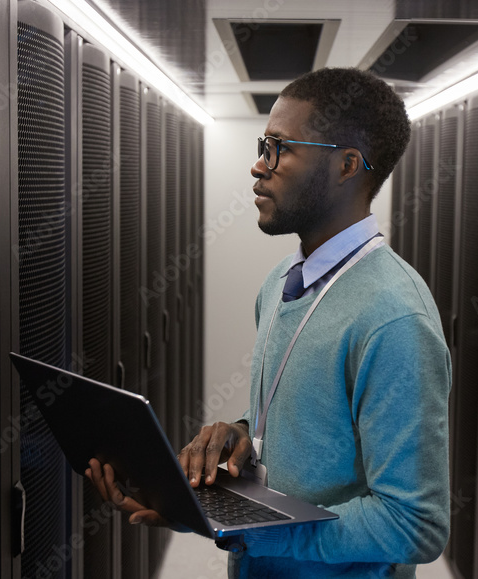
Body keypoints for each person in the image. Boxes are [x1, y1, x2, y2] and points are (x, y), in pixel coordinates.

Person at [87, 67, 451, 577]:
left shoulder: (394, 318)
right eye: (263, 145)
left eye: (279, 147)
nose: (259, 166)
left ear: (348, 165)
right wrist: (240, 436)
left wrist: (247, 530)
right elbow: (307, 425)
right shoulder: (283, 278)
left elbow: (414, 523)